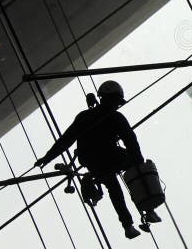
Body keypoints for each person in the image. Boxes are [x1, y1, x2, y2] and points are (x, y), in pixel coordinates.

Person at [35, 80, 161, 239]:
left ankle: (130, 224)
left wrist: (47, 157)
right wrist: (138, 165)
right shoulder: (115, 117)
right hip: (104, 157)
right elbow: (131, 142)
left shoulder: (86, 116)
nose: (117, 105)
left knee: (114, 186)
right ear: (110, 98)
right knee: (125, 179)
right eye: (116, 101)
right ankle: (144, 212)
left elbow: (67, 140)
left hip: (93, 160)